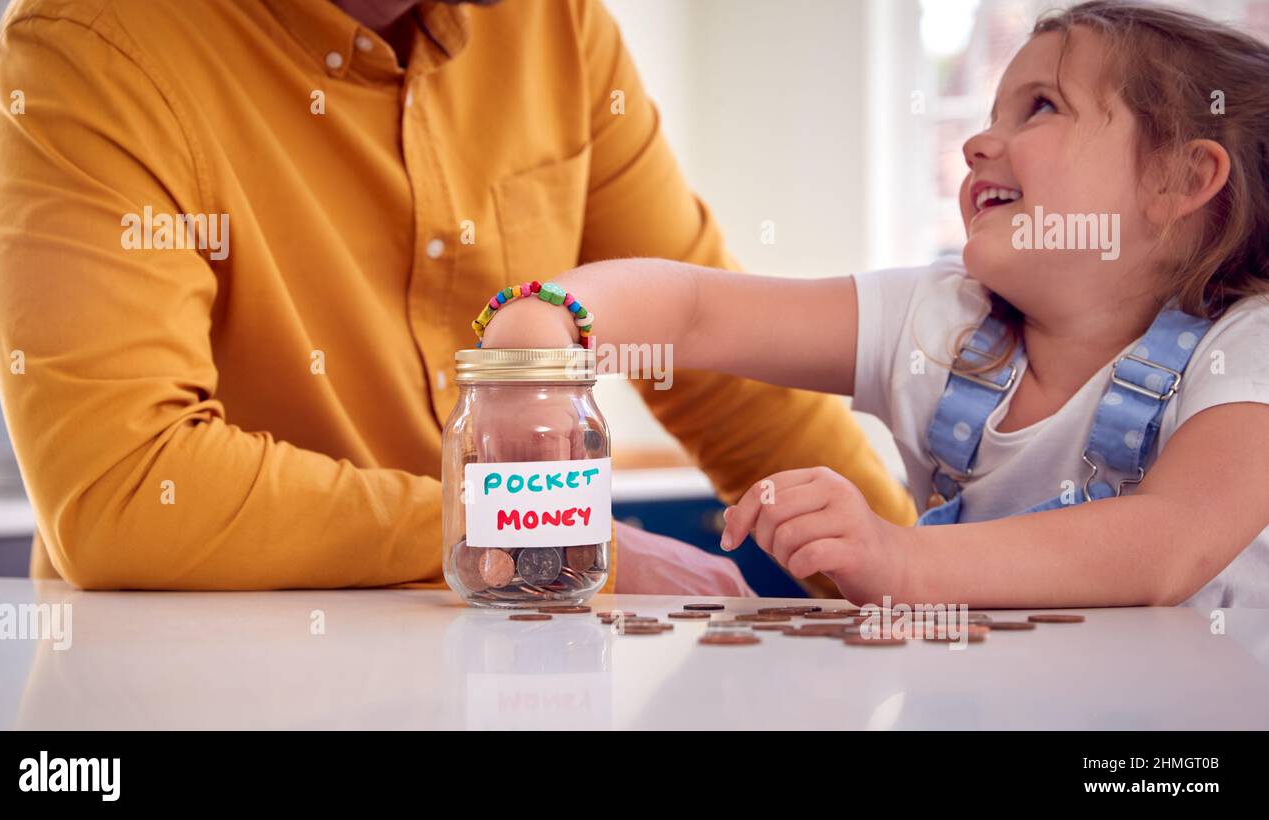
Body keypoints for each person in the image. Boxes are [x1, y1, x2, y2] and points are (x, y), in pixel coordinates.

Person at [0, 0, 916, 593]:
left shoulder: (559, 27)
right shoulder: (93, 44)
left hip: (508, 673)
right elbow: (131, 491)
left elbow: (714, 361)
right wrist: (552, 542)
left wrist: (915, 569)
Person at [480, 1, 1269, 608]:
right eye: (991, 112)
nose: (977, 143)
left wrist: (895, 558)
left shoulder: (1247, 349)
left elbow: (1170, 542)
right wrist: (545, 317)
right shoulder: (940, 319)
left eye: (1039, 108)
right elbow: (694, 310)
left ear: (1181, 179)